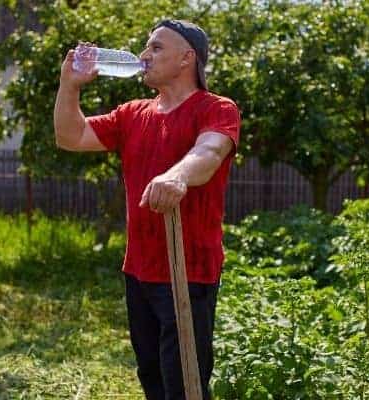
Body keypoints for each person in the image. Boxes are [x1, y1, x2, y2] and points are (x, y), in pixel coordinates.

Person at [53, 19, 240, 400]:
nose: (143, 56)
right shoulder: (132, 113)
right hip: (139, 269)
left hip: (188, 270)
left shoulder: (216, 108)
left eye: (156, 48)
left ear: (187, 58)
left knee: (185, 382)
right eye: (145, 47)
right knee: (152, 376)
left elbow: (209, 151)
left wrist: (177, 177)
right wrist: (69, 86)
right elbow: (70, 136)